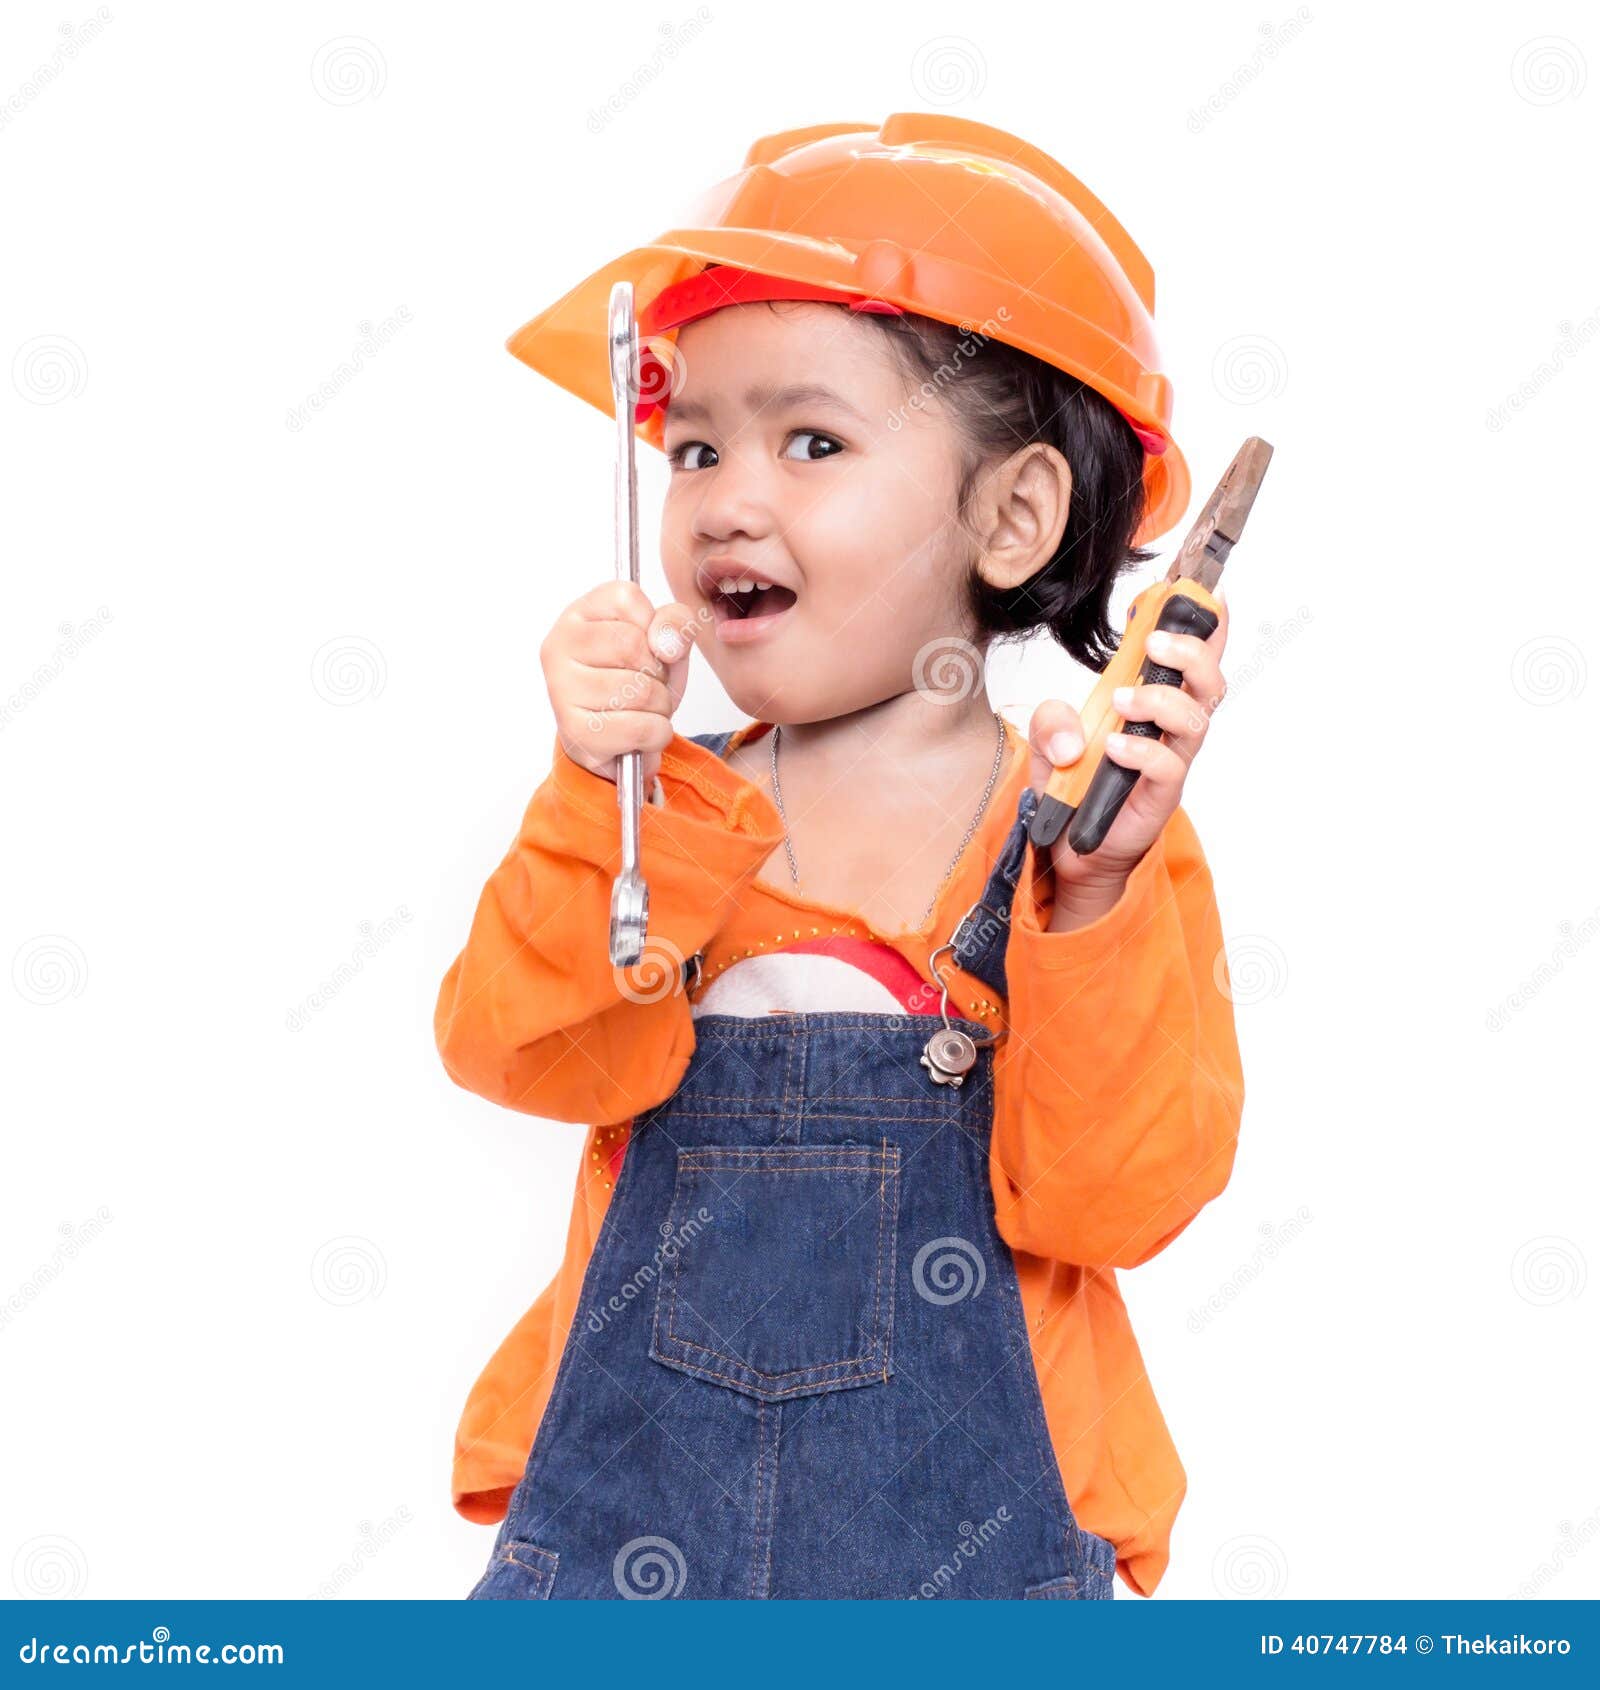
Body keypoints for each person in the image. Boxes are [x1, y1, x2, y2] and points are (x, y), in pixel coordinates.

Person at [435, 115, 1244, 1600]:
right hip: (632, 1558)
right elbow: (524, 1055)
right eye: (695, 447)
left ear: (1014, 517)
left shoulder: (1085, 844)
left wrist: (1094, 904)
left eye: (812, 442)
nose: (727, 499)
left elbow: (1114, 1202)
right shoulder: (661, 812)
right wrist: (599, 795)